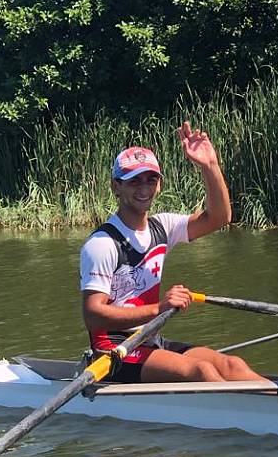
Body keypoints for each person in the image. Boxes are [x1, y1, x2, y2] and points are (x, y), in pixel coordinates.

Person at [79, 122, 265, 383]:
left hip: (150, 339)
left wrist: (209, 165)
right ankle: (245, 407)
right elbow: (93, 316)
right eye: (134, 181)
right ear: (116, 187)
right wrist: (160, 308)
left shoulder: (162, 226)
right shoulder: (102, 244)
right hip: (113, 350)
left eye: (151, 180)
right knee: (202, 371)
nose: (144, 189)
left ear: (159, 185)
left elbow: (219, 218)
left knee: (232, 365)